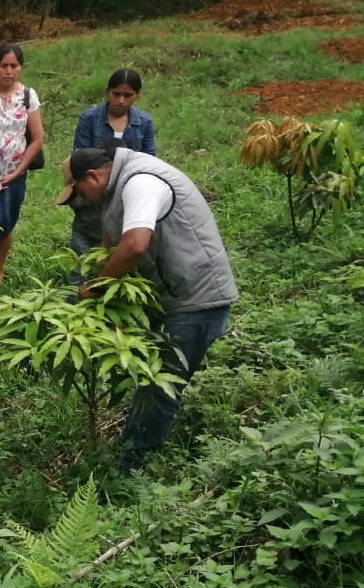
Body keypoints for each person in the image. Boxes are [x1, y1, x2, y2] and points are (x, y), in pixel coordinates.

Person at [58, 145, 238, 470]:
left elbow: (134, 245)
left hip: (195, 300)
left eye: (78, 191)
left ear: (94, 176)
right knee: (151, 382)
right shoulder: (119, 189)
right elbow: (110, 243)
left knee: (160, 386)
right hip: (174, 297)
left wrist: (96, 290)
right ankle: (132, 448)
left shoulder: (140, 181)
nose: (80, 200)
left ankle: (132, 469)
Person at [70, 70, 157, 257]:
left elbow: (148, 160)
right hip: (94, 191)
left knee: (122, 240)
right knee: (85, 246)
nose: (121, 101)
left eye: (128, 95)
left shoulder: (144, 122)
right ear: (107, 92)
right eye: (116, 94)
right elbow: (79, 155)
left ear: (137, 95)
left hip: (127, 191)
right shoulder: (90, 118)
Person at [0, 43, 45, 285]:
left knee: (4, 224)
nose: (8, 71)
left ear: (21, 67)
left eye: (13, 66)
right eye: (3, 65)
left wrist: (18, 171)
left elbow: (37, 139)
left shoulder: (28, 96)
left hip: (13, 173)